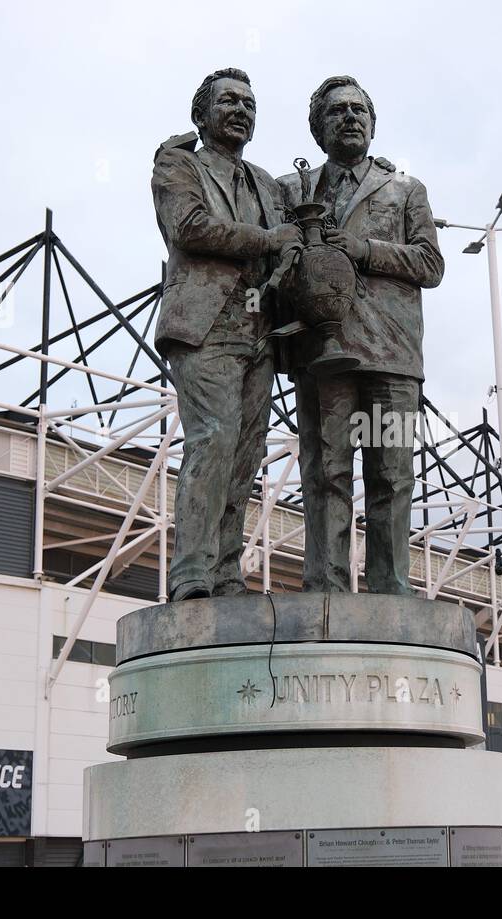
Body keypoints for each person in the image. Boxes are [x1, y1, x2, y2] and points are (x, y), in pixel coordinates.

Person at [276, 75, 444, 595]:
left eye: (358, 111)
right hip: (323, 353)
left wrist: (362, 248)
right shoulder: (293, 189)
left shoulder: (405, 189)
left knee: (391, 478)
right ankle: (324, 587)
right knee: (325, 475)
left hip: (391, 354)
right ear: (318, 130)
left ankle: (390, 587)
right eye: (336, 112)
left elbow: (431, 264)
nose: (349, 118)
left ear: (372, 124)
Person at [151, 67, 300, 600]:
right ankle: (192, 571)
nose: (241, 111)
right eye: (229, 101)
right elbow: (189, 227)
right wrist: (268, 239)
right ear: (202, 114)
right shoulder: (177, 163)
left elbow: (297, 229)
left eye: (249, 106)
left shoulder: (265, 182)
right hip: (205, 325)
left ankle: (227, 573)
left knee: (246, 452)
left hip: (260, 330)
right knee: (212, 439)